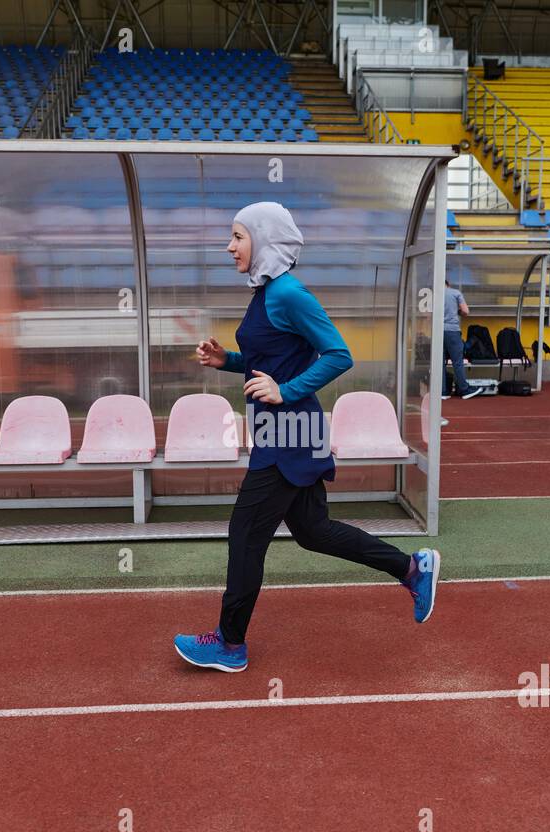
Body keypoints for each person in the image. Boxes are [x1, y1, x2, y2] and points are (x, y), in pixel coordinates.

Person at [174, 201, 441, 673]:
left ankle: (230, 645)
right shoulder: (266, 293)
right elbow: (274, 357)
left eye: (237, 236)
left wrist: (285, 392)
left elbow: (338, 355)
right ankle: (411, 569)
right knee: (313, 532)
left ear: (264, 239)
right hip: (285, 432)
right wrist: (228, 361)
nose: (229, 246)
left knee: (245, 534)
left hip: (289, 437)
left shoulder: (288, 293)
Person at [442, 279, 485, 400]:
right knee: (457, 361)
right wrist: (458, 311)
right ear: (448, 284)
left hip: (438, 331)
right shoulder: (455, 293)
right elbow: (466, 311)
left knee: (440, 363)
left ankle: (443, 391)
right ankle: (464, 389)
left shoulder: (434, 294)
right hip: (452, 331)